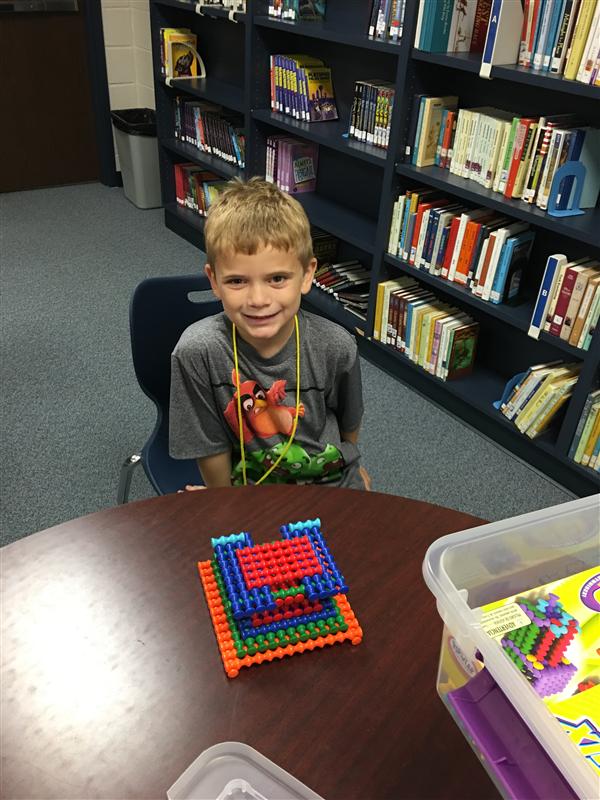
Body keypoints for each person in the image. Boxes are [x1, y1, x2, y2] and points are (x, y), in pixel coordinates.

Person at [169, 177, 370, 491]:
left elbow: (349, 422)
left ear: (306, 276)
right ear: (214, 281)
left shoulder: (336, 345)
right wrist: (222, 501)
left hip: (328, 482)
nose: (258, 300)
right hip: (250, 489)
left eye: (277, 278)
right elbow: (210, 447)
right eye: (237, 281)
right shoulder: (197, 352)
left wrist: (352, 465)